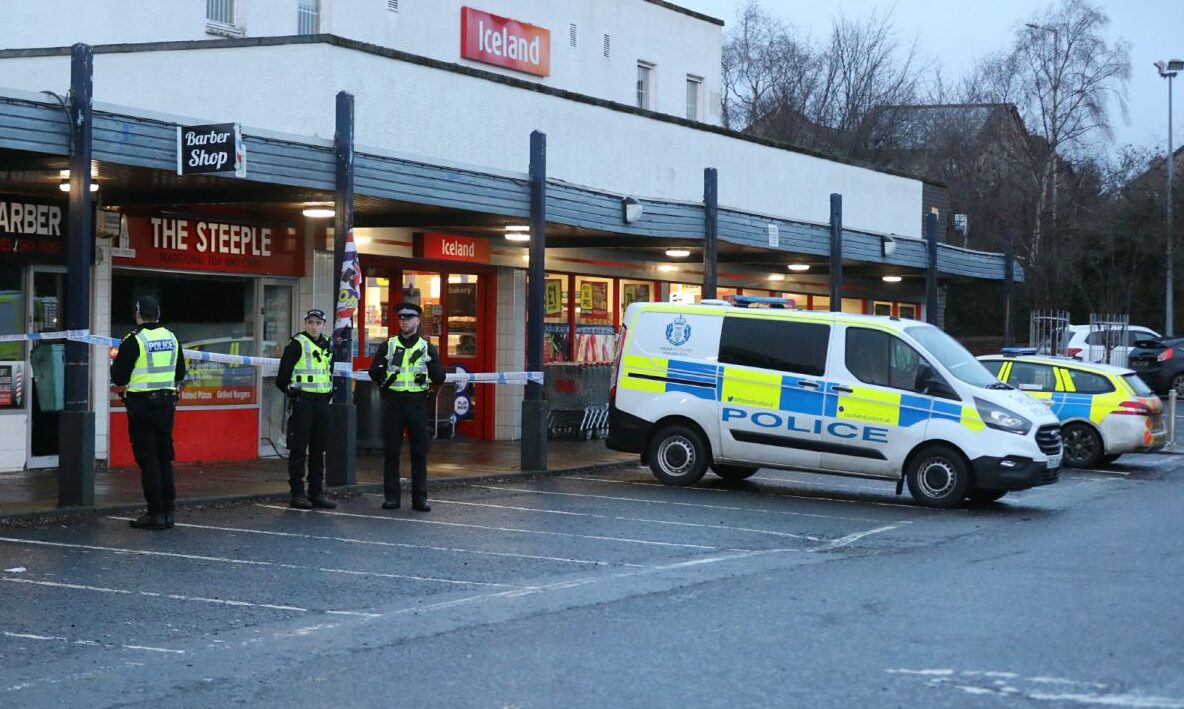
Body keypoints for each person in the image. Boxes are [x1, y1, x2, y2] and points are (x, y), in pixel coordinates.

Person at [110, 295, 186, 531]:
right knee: (164, 458)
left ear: (138, 314)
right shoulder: (172, 337)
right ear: (159, 313)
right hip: (166, 405)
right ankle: (168, 513)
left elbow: (119, 377)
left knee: (148, 460)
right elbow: (180, 371)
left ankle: (155, 514)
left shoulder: (134, 340)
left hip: (142, 406)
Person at [368, 302, 446, 512]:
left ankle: (420, 499)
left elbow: (440, 376)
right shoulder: (389, 345)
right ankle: (392, 497)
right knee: (391, 452)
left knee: (419, 453)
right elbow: (373, 372)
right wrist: (383, 369)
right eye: (402, 319)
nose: (405, 322)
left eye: (409, 319)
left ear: (417, 321)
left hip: (417, 404)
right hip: (393, 403)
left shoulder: (426, 347)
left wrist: (430, 365)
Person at [275, 309, 337, 510]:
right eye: (310, 322)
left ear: (323, 324)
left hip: (322, 402)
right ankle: (297, 493)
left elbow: (330, 371)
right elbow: (282, 376)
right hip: (303, 401)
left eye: (318, 322)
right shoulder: (297, 343)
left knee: (319, 449)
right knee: (299, 448)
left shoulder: (328, 343)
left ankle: (317, 492)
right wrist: (291, 392)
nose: (313, 326)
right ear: (305, 323)